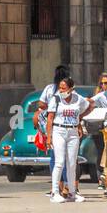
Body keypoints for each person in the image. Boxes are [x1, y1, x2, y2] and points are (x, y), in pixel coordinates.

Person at [45, 77, 87, 203]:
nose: (61, 90)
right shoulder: (56, 99)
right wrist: (49, 136)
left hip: (73, 132)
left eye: (64, 88)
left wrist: (79, 122)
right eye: (60, 87)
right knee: (59, 162)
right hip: (59, 131)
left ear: (71, 88)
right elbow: (50, 119)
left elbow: (87, 107)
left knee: (72, 163)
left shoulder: (78, 99)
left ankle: (72, 193)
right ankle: (55, 192)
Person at [37, 65, 70, 197]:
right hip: (64, 125)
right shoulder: (69, 89)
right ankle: (67, 186)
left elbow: (40, 103)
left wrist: (49, 107)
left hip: (51, 125)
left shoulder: (49, 88)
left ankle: (56, 187)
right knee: (66, 157)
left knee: (54, 158)